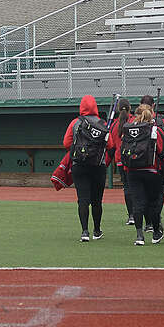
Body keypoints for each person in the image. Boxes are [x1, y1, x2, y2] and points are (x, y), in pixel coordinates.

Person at [113, 103, 164, 245]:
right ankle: (156, 232)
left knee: (137, 203)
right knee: (153, 203)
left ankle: (139, 236)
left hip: (132, 170)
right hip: (151, 170)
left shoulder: (128, 128)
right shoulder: (154, 128)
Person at [62, 94, 110, 241]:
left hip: (79, 165)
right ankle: (96, 230)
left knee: (83, 199)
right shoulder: (103, 123)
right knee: (97, 200)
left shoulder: (75, 123)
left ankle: (84, 232)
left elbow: (66, 143)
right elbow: (111, 144)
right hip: (98, 165)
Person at [108, 98, 136, 227]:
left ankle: (131, 215)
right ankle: (138, 214)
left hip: (120, 160)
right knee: (137, 187)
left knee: (127, 187)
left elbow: (111, 145)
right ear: (130, 108)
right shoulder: (135, 121)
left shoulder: (114, 125)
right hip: (134, 159)